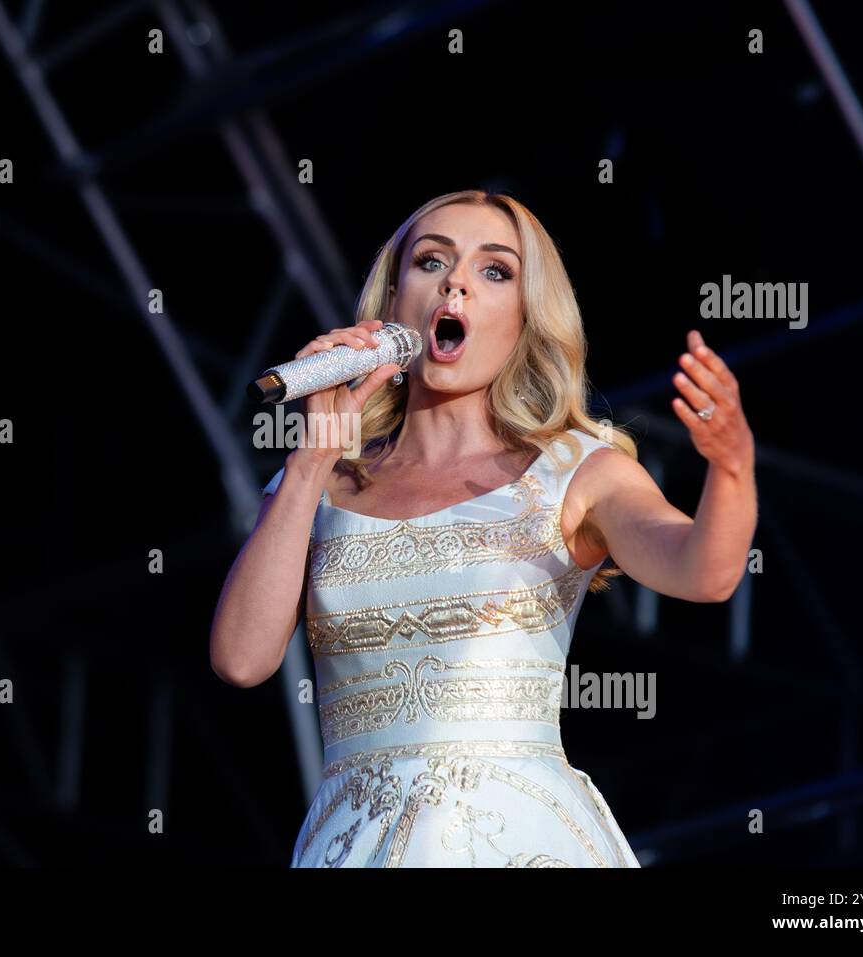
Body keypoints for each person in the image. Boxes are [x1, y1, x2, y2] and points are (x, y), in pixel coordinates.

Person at [210, 189, 757, 867]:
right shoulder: (314, 487)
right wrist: (313, 457)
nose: (456, 281)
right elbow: (241, 658)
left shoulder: (576, 472)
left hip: (516, 840)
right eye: (431, 261)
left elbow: (705, 572)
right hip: (353, 844)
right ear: (392, 306)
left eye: (494, 270)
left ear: (525, 319)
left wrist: (731, 470)